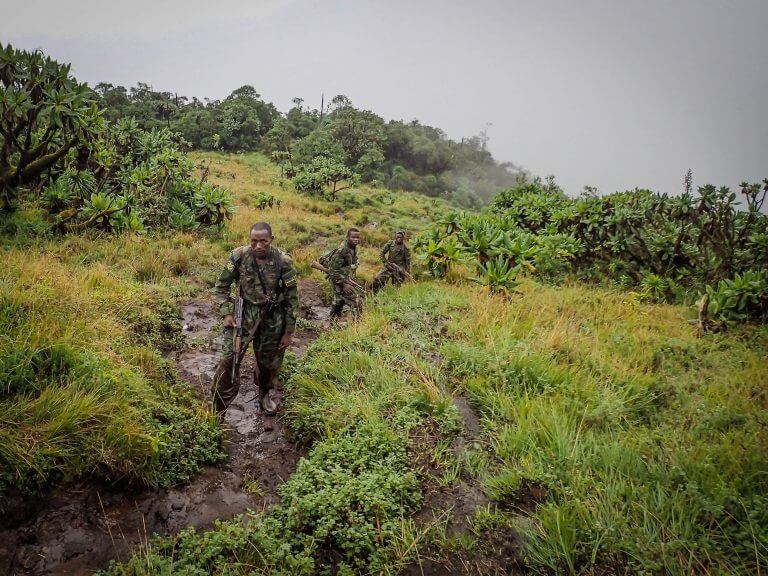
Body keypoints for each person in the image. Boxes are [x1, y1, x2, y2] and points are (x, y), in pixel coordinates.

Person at [211, 222, 299, 417]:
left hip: (271, 319)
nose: (258, 246)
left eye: (263, 241)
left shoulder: (283, 261)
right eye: (254, 241)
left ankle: (264, 393)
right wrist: (227, 313)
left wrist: (288, 332)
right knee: (229, 359)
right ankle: (218, 406)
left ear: (271, 240)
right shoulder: (239, 256)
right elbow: (221, 285)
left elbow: (292, 299)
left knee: (268, 362)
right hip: (243, 315)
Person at [321, 227, 363, 320]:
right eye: (353, 237)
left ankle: (331, 320)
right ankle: (358, 324)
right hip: (338, 279)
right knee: (357, 301)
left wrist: (349, 279)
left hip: (344, 277)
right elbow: (333, 270)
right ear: (347, 237)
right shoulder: (342, 251)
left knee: (339, 301)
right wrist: (344, 285)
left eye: (357, 237)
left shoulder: (352, 248)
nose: (356, 239)